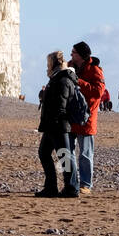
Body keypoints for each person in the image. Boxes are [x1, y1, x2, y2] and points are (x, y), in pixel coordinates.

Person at [36, 51, 80, 198]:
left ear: (54, 63)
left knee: (64, 157)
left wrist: (53, 120)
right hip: (52, 125)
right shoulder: (57, 78)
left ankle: (71, 188)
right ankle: (51, 187)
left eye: (49, 62)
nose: (47, 66)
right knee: (45, 153)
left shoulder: (63, 80)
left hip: (58, 125)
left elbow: (61, 105)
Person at [69, 42, 105, 196]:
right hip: (70, 117)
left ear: (82, 55)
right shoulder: (69, 67)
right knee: (66, 151)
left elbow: (98, 92)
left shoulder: (95, 70)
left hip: (86, 118)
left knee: (85, 154)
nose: (71, 55)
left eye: (74, 52)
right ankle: (69, 182)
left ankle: (86, 184)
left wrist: (78, 81)